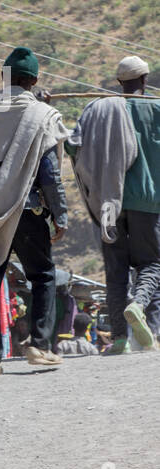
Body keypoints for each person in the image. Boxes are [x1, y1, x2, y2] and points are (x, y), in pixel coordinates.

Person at [0, 47, 71, 377]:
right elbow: (49, 173)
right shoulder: (42, 115)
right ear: (34, 80)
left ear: (3, 79)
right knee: (43, 277)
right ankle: (40, 346)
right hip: (29, 212)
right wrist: (60, 215)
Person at [67, 55, 160, 354]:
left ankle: (120, 338)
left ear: (120, 82)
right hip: (149, 201)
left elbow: (71, 144)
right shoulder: (157, 109)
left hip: (109, 202)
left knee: (116, 268)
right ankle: (142, 309)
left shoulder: (100, 110)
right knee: (153, 263)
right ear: (145, 80)